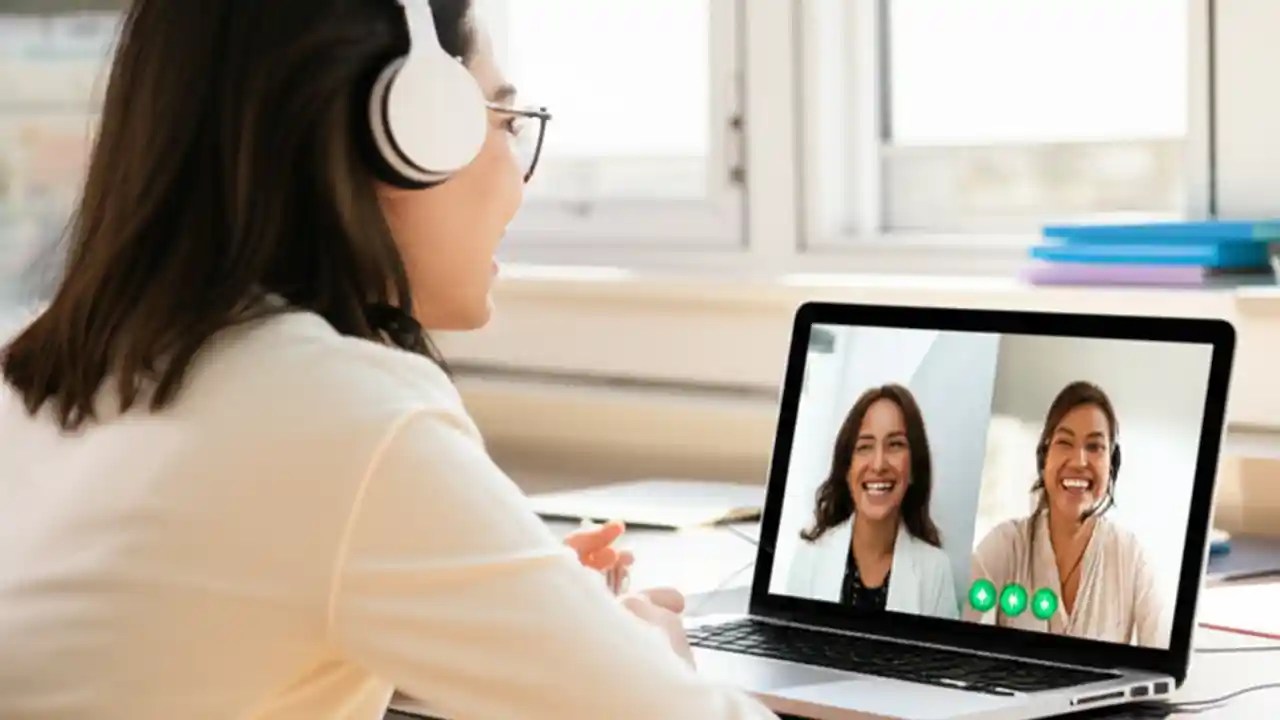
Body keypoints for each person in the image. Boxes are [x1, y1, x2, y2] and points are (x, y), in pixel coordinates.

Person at [0, 2, 777, 718]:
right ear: (409, 131)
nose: (518, 177)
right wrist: (649, 653)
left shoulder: (39, 366)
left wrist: (492, 590)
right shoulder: (337, 413)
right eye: (505, 120)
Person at [967, 381, 1166, 648]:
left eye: (1095, 447)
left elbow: (1163, 661)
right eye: (1064, 442)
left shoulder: (1132, 558)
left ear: (1112, 464)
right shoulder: (1005, 546)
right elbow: (955, 637)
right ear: (1044, 457)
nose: (1079, 461)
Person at [784, 384, 960, 619]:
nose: (878, 465)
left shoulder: (936, 571)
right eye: (864, 447)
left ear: (914, 470)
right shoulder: (810, 558)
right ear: (847, 469)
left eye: (895, 444)